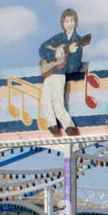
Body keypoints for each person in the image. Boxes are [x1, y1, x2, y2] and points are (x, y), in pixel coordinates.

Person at [38, 8, 86, 136]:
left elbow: (74, 68)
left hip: (59, 74)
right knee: (44, 100)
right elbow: (42, 48)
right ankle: (52, 124)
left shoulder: (77, 40)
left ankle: (69, 126)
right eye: (66, 21)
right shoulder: (59, 38)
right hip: (50, 72)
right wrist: (54, 53)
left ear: (75, 22)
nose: (69, 24)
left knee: (57, 101)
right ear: (63, 24)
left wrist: (73, 53)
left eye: (71, 21)